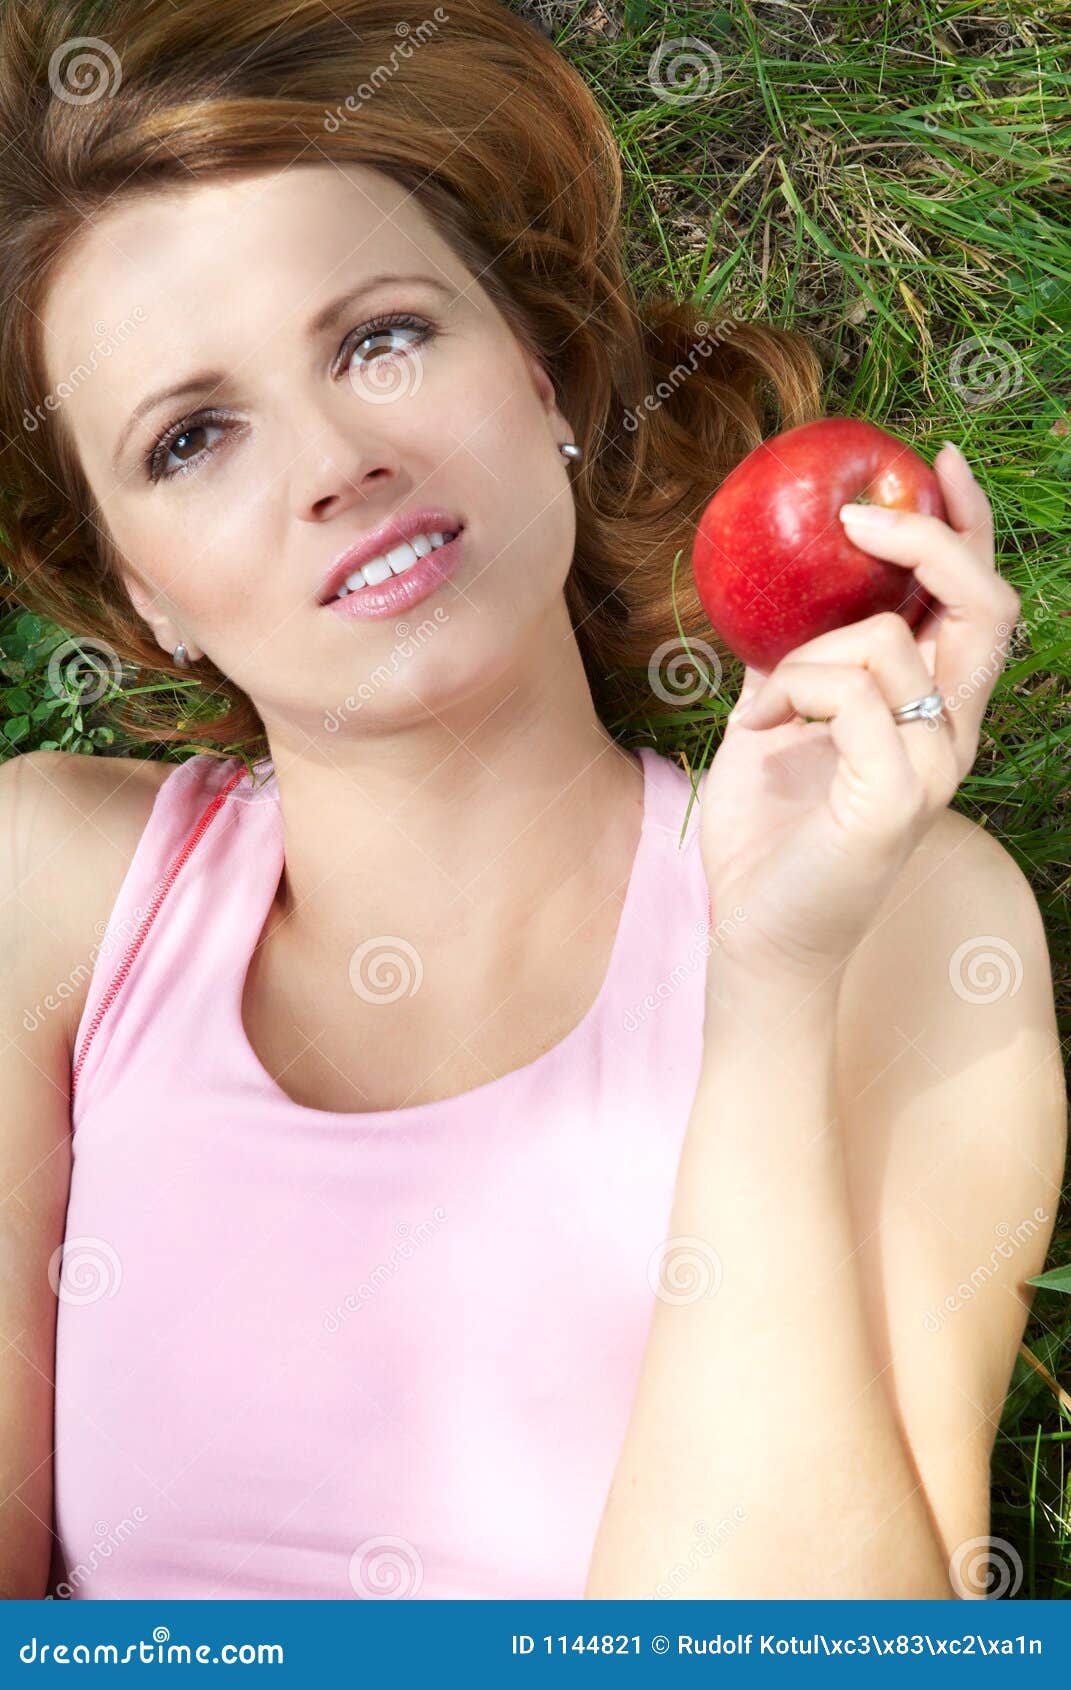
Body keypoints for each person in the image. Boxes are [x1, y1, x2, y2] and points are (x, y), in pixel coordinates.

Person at [0, 0, 1063, 1602]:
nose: (337, 458)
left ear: (551, 379)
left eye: (380, 337)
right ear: (143, 591)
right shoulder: (48, 889)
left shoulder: (906, 917)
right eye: (193, 436)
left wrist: (766, 988)